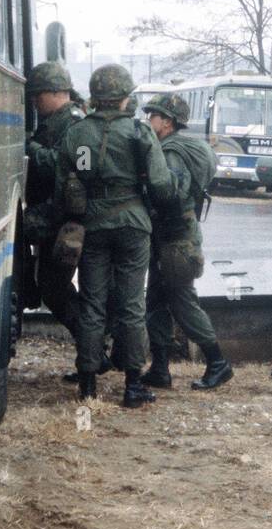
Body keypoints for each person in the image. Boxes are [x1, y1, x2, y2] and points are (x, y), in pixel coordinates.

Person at [54, 65, 179, 407]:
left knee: (93, 303)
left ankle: (88, 385)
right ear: (125, 98)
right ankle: (133, 385)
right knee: (131, 305)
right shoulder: (139, 132)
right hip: (132, 224)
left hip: (91, 224)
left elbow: (63, 180)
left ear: (94, 97)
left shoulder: (77, 132)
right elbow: (161, 184)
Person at [140, 93, 231, 390]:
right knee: (155, 302)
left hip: (175, 237)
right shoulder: (175, 147)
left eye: (152, 115)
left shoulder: (171, 152)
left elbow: (172, 193)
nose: (148, 120)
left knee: (182, 302)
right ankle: (161, 369)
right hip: (168, 237)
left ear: (166, 122)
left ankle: (218, 362)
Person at [22, 62, 90, 374]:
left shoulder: (72, 122)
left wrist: (31, 148)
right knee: (53, 286)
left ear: (54, 92)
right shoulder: (58, 120)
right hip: (55, 216)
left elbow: (62, 165)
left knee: (54, 286)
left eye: (38, 95)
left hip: (64, 220)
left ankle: (94, 350)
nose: (34, 102)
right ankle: (93, 351)